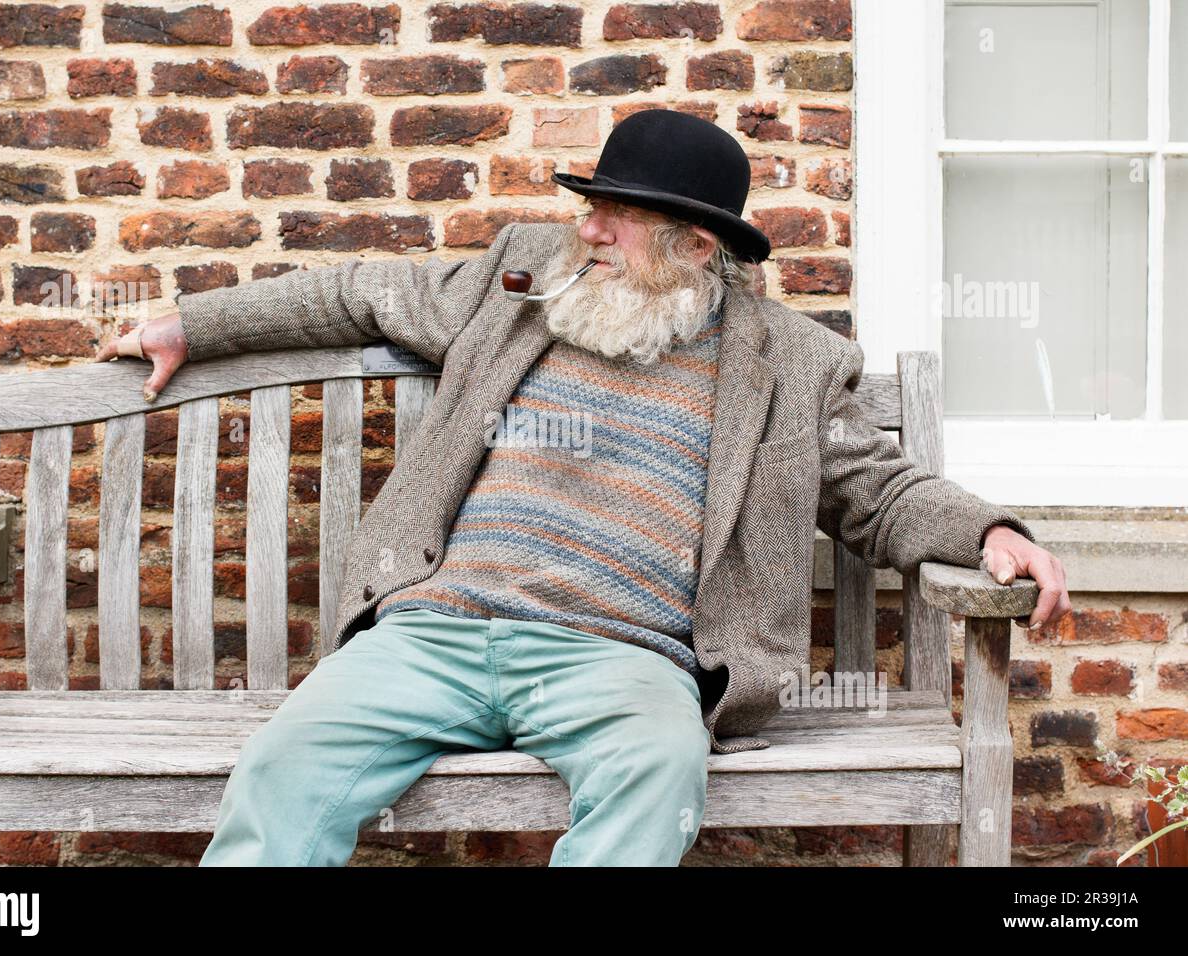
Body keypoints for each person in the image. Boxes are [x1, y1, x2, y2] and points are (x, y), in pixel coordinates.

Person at [94, 109, 1072, 866]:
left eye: (617, 213)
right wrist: (194, 323)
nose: (588, 227)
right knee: (285, 763)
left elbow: (880, 492)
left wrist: (990, 530)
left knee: (660, 771)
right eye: (588, 204)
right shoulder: (524, 279)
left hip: (623, 659)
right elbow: (355, 288)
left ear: (697, 244)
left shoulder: (788, 363)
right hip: (436, 630)